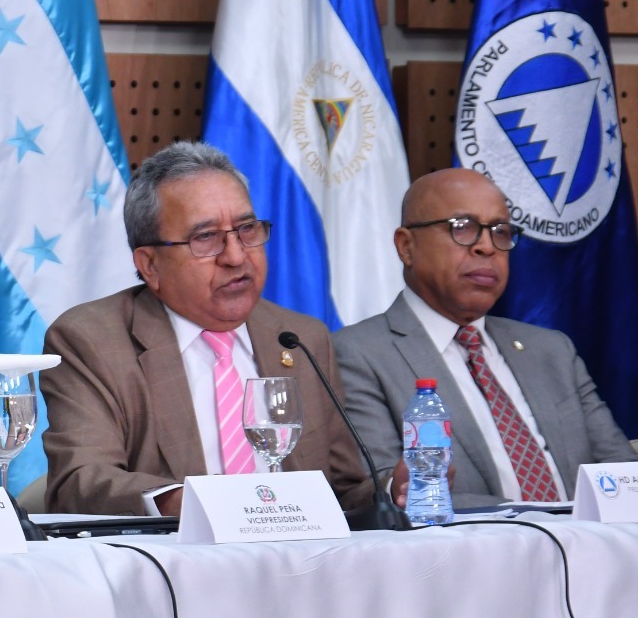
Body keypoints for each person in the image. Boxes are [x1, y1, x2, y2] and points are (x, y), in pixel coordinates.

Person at [41, 142, 372, 516]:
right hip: (175, 566)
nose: (235, 256)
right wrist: (200, 504)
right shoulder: (92, 340)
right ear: (149, 264)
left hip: (301, 563)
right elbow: (81, 481)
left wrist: (392, 490)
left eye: (246, 229)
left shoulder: (301, 339)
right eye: (206, 238)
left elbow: (342, 491)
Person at [335, 168, 633, 508]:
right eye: (463, 228)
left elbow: (621, 472)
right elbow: (381, 492)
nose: (487, 247)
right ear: (406, 247)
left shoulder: (551, 350)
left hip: (585, 549)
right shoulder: (358, 354)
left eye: (501, 232)